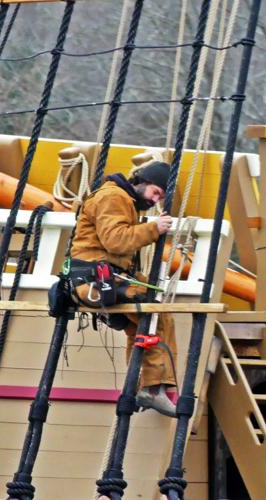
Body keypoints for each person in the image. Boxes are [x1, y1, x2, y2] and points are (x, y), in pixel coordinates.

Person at [69, 161, 177, 417]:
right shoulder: (114, 196)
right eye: (155, 192)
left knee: (138, 325)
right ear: (141, 181)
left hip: (106, 277)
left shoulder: (122, 199)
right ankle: (151, 390)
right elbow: (116, 240)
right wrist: (153, 228)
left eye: (160, 196)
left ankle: (141, 386)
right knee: (154, 315)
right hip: (95, 281)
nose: (155, 199)